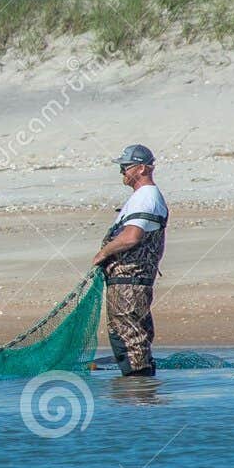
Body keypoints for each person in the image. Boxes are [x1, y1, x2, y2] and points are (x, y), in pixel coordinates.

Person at [93, 143, 168, 377]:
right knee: (134, 337)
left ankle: (138, 396)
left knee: (127, 337)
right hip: (128, 283)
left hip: (130, 284)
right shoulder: (142, 197)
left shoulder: (146, 197)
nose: (122, 172)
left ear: (143, 169)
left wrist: (102, 254)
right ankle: (141, 394)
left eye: (126, 167)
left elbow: (131, 236)